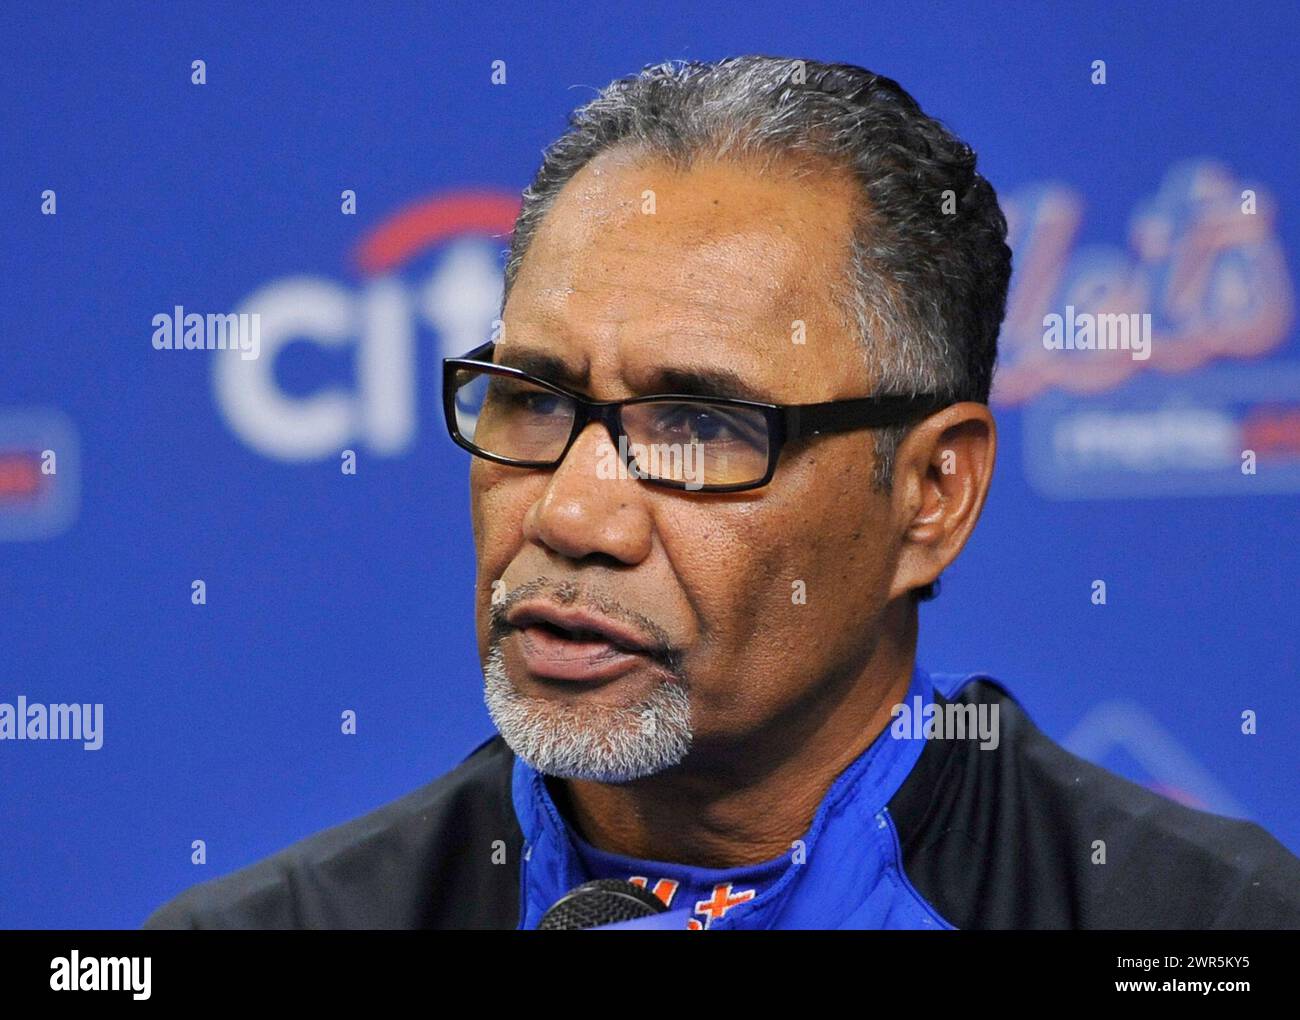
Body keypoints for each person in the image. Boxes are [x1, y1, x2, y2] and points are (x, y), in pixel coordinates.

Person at [144, 55, 1300, 930]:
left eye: (698, 424)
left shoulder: (1211, 927)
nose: (569, 515)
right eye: (535, 400)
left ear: (931, 493)